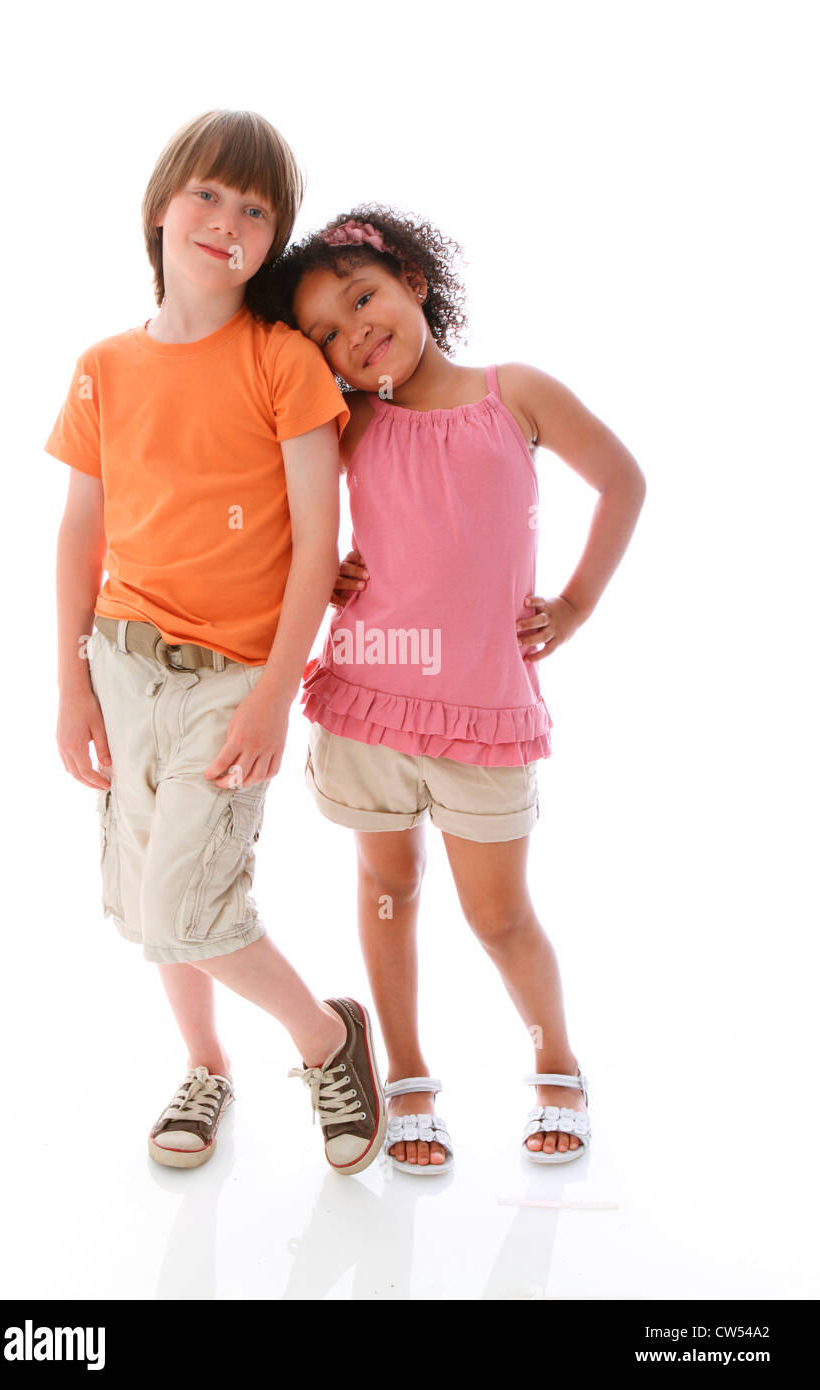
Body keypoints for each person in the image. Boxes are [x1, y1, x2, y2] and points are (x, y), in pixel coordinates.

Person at [246, 208, 646, 1170]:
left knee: (499, 916)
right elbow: (286, 518)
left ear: (414, 282)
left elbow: (624, 481)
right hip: (373, 703)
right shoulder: (348, 424)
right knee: (389, 888)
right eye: (328, 335)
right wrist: (330, 565)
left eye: (363, 299)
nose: (356, 332)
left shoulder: (519, 394)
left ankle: (557, 1055)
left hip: (483, 710)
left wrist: (577, 606)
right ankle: (407, 1073)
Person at [45, 112, 386, 1177]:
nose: (226, 219)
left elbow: (316, 544)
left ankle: (327, 1039)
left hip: (230, 678)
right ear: (159, 207)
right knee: (148, 892)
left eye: (253, 209)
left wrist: (272, 692)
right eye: (207, 194)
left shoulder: (281, 363)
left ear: (270, 239)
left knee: (187, 901)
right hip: (121, 660)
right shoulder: (104, 365)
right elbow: (79, 529)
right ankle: (204, 1064)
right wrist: (71, 685)